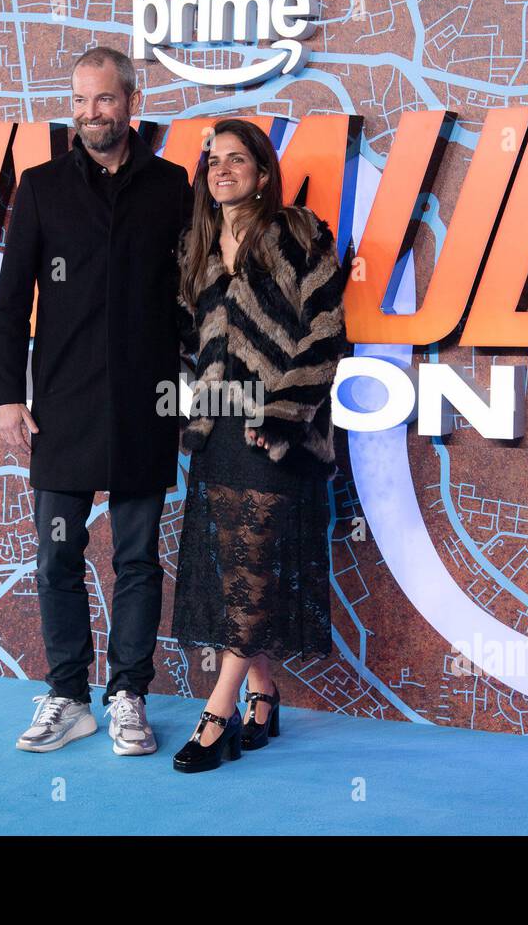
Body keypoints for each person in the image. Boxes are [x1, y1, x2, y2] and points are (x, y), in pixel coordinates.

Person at [0, 46, 193, 755]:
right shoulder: (41, 187)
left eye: (102, 100)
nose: (88, 113)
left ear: (131, 101)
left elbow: (193, 297)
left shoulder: (172, 186)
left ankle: (129, 694)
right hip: (62, 405)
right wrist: (6, 397)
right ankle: (68, 696)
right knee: (56, 558)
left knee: (136, 560)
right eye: (78, 100)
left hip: (146, 404)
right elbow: (12, 302)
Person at [169, 118, 349, 773]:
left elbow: (327, 332)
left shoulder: (302, 233)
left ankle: (218, 713)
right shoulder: (195, 245)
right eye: (214, 160)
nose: (223, 170)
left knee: (253, 570)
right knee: (237, 570)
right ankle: (262, 692)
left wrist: (282, 415)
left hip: (277, 432)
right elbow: (187, 344)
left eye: (237, 159)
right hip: (218, 430)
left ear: (264, 171)